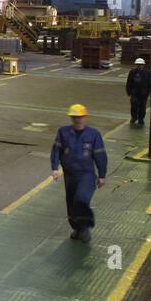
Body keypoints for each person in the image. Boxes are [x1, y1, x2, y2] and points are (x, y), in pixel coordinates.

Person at [50, 103, 107, 243]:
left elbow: (100, 155)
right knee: (70, 204)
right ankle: (77, 228)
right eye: (74, 117)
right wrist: (55, 168)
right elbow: (56, 150)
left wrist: (102, 175)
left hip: (86, 174)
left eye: (80, 117)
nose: (77, 120)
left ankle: (85, 228)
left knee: (81, 199)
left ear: (85, 117)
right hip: (70, 175)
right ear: (71, 118)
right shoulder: (63, 132)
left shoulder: (94, 134)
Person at [126, 57, 151, 126]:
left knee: (142, 107)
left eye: (140, 64)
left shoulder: (148, 73)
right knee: (134, 105)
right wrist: (128, 91)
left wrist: (149, 92)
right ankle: (134, 117)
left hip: (143, 93)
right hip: (134, 93)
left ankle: (141, 119)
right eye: (137, 64)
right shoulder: (132, 72)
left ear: (143, 65)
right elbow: (129, 82)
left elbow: (150, 83)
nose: (139, 66)